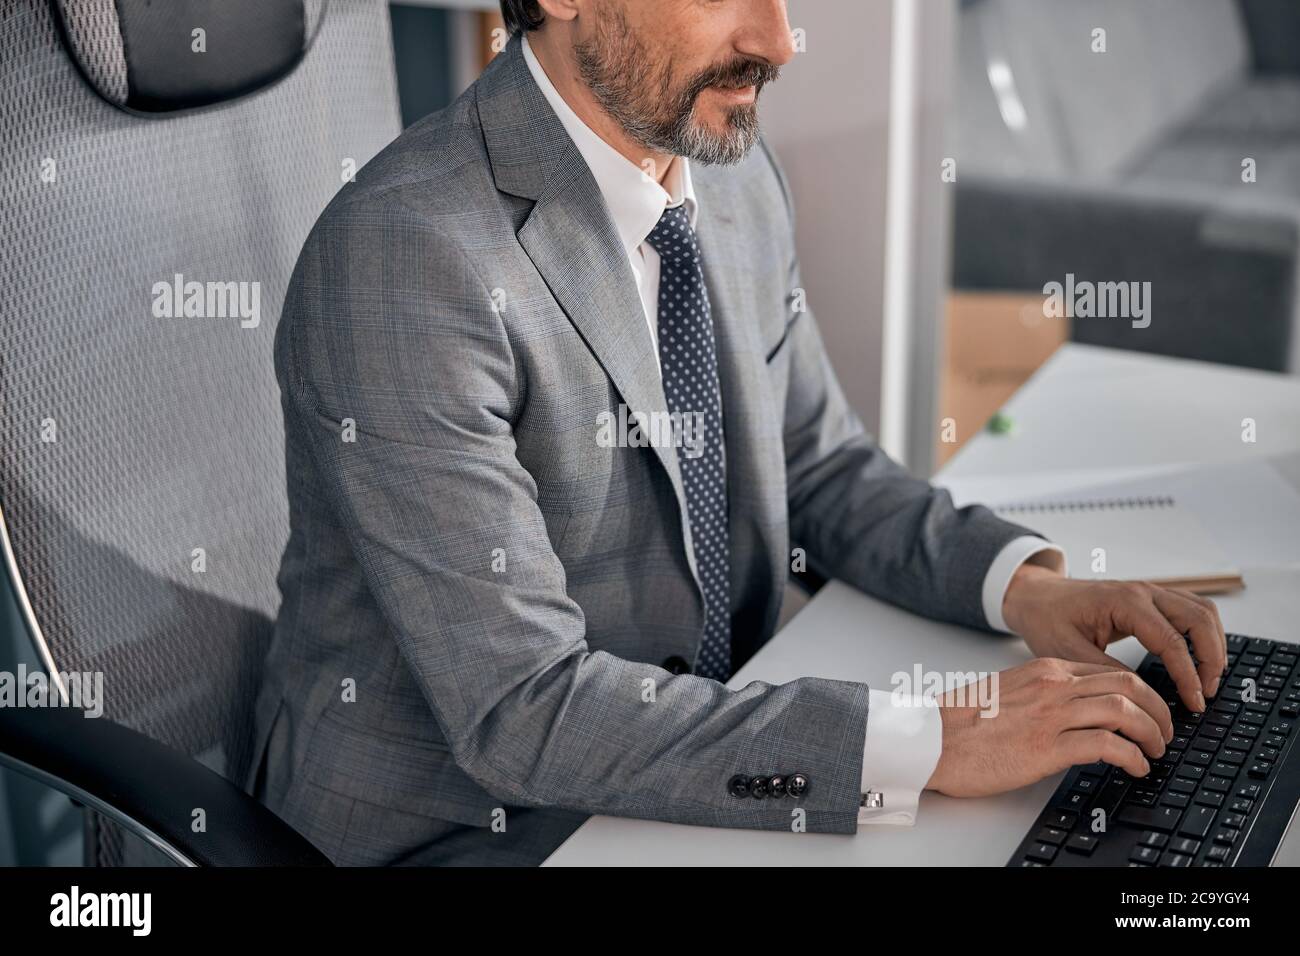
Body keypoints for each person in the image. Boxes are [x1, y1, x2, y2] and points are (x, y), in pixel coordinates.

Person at [248, 0, 1227, 866]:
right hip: (467, 821)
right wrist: (930, 740)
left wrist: (1027, 587)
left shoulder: (726, 167)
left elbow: (820, 465)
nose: (777, 40)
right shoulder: (408, 257)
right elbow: (522, 710)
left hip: (694, 768)